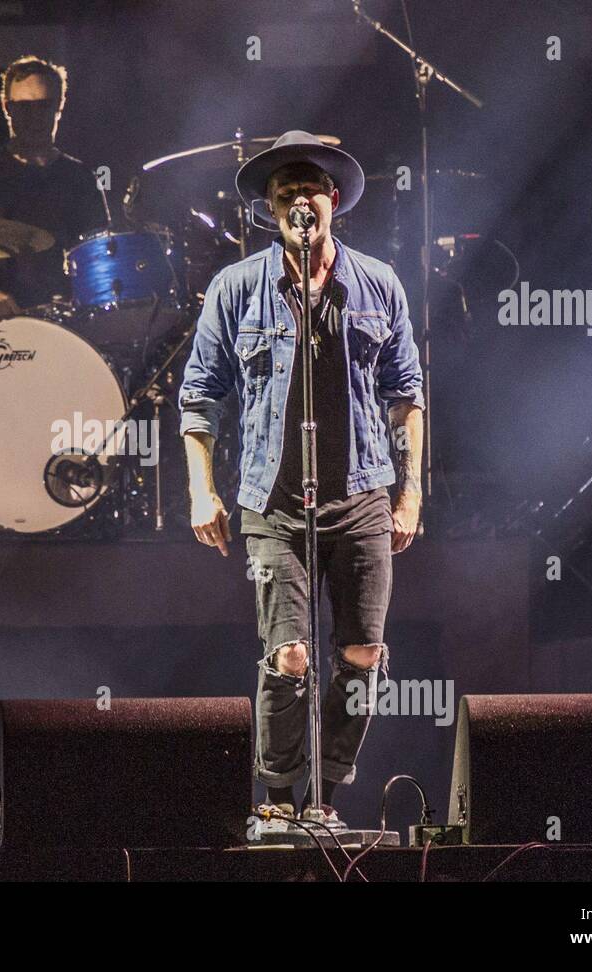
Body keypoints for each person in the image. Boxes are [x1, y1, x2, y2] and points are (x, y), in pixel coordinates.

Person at [178, 131, 425, 829]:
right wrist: (203, 489)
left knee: (362, 655)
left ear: (334, 200)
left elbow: (408, 396)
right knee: (288, 654)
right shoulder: (235, 289)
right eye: (284, 194)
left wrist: (410, 494)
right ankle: (280, 800)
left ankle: (326, 798)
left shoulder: (377, 284)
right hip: (272, 503)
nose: (299, 202)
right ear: (268, 210)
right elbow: (198, 396)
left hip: (361, 496)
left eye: (309, 190)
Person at [0, 54, 105, 316]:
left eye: (43, 106)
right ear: (7, 107)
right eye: (24, 107)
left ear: (59, 106)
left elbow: (101, 259)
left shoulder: (80, 179)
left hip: (65, 327)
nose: (34, 117)